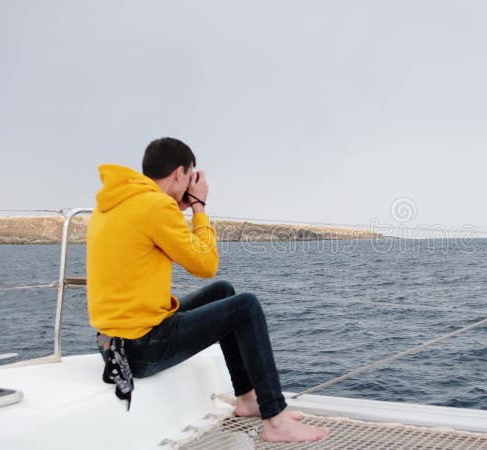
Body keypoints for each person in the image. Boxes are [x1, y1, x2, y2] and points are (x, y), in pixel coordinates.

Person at [86, 137, 329, 443]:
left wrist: (176, 206)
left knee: (223, 291)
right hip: (140, 348)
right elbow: (205, 264)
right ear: (179, 173)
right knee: (246, 306)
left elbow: (148, 231)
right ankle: (276, 420)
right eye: (190, 175)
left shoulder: (115, 204)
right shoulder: (155, 206)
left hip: (113, 344)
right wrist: (199, 208)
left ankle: (247, 399)